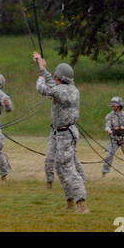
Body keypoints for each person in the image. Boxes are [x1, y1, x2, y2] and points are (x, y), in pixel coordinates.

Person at [33, 51, 87, 212]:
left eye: (56, 76)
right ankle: (70, 202)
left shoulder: (64, 91)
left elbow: (42, 88)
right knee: (60, 166)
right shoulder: (67, 87)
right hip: (60, 132)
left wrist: (41, 76)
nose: (54, 79)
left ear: (61, 78)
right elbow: (52, 82)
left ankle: (81, 203)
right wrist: (41, 66)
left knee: (67, 167)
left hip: (65, 134)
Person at [101, 95, 124, 178]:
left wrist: (121, 128)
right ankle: (104, 173)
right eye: (112, 104)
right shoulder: (109, 116)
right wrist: (109, 130)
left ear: (120, 105)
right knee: (108, 155)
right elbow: (107, 126)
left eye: (114, 104)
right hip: (113, 139)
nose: (113, 106)